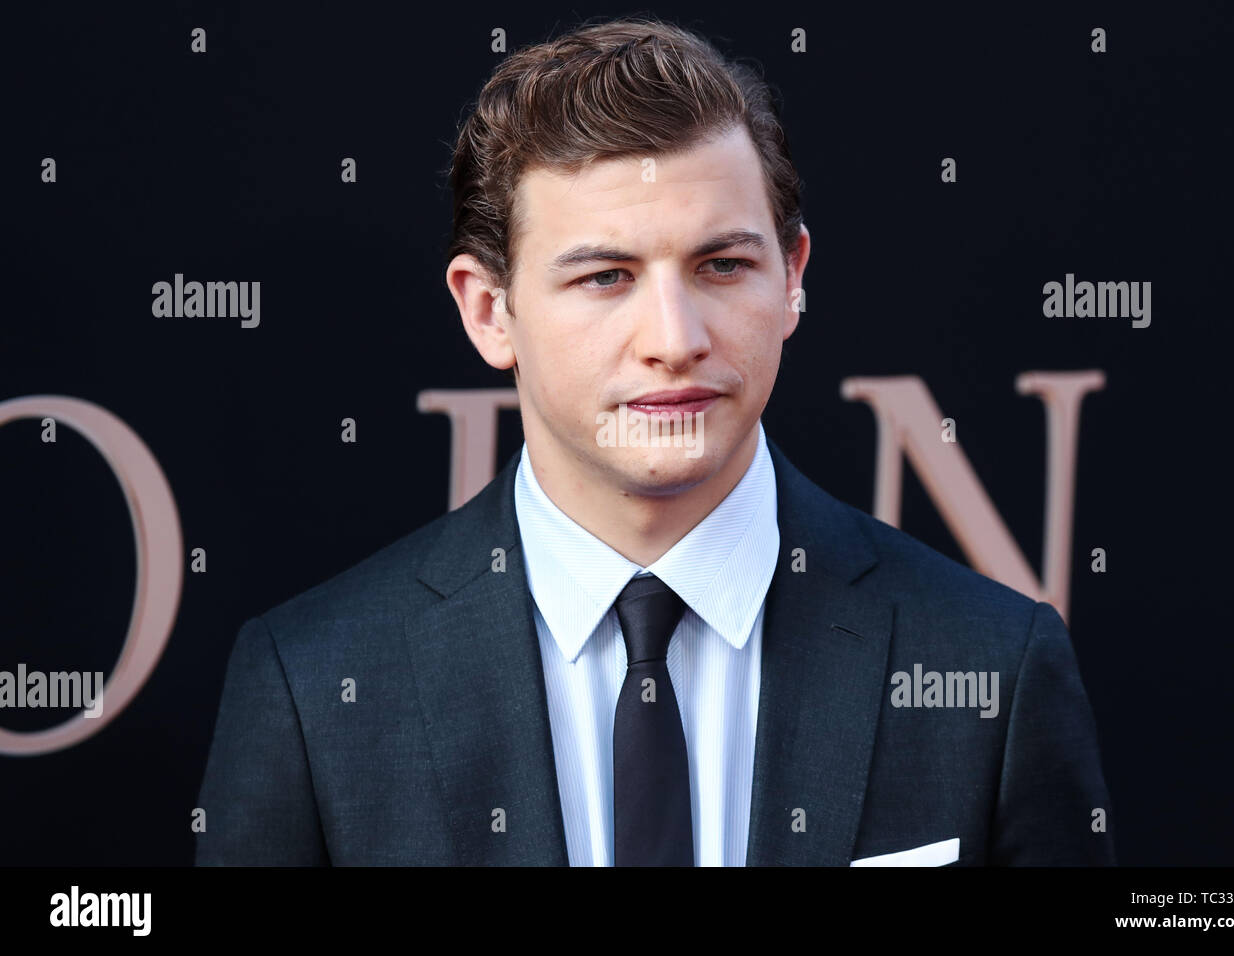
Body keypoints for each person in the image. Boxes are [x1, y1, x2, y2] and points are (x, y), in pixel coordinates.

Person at [195, 17, 1115, 866]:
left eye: (722, 265)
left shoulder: (990, 664)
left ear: (792, 277)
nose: (674, 337)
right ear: (489, 312)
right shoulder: (313, 688)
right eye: (604, 277)